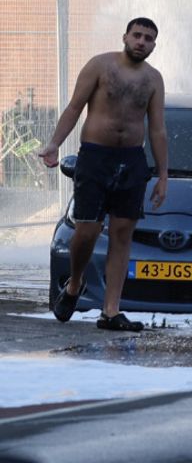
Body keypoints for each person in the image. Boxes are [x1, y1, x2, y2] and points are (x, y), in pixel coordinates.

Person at [37, 17, 168, 331]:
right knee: (87, 231)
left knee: (122, 235)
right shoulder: (100, 66)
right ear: (125, 36)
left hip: (132, 160)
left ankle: (111, 311)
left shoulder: (153, 79)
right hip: (96, 156)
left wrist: (163, 175)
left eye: (148, 38)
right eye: (137, 35)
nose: (141, 42)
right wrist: (54, 144)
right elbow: (73, 108)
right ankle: (75, 283)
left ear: (153, 45)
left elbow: (158, 129)